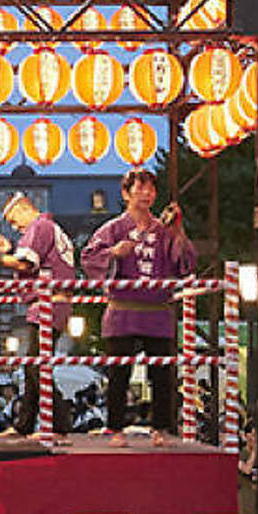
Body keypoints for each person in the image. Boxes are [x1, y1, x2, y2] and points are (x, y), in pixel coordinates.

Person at [79, 167, 197, 442]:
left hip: (157, 311)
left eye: (151, 189)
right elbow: (88, 257)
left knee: (163, 375)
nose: (146, 194)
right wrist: (114, 252)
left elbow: (185, 264)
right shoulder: (113, 228)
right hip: (123, 310)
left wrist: (178, 232)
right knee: (119, 373)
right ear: (126, 193)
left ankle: (161, 429)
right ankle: (116, 428)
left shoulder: (164, 230)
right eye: (140, 188)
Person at [0, 191, 75, 436]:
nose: (15, 227)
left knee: (36, 367)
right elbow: (28, 259)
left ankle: (59, 425)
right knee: (32, 367)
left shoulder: (40, 226)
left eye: (14, 220)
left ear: (24, 208)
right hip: (49, 302)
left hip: (49, 302)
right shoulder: (46, 228)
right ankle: (25, 424)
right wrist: (8, 250)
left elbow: (25, 263)